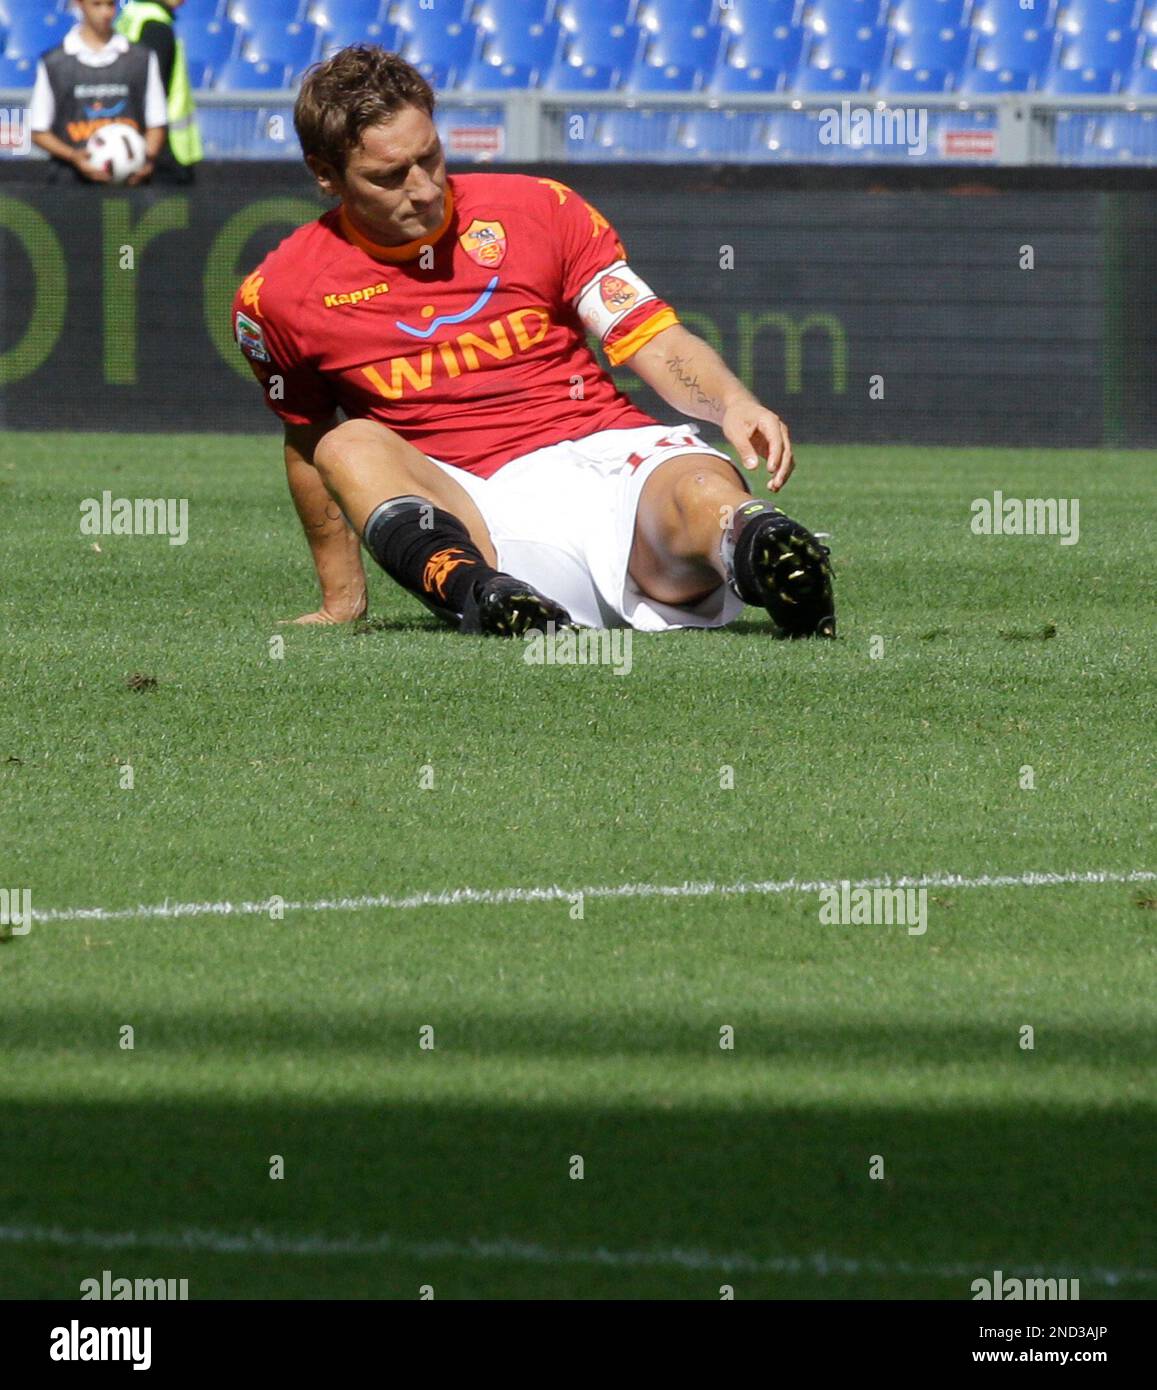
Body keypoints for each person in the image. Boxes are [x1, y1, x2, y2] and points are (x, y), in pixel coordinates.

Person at [232, 47, 835, 638]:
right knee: (348, 444)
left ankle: (763, 551)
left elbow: (649, 333)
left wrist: (731, 402)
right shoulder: (279, 297)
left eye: (430, 157)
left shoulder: (540, 208)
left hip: (609, 460)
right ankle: (480, 594)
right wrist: (342, 600)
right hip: (476, 517)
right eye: (388, 176)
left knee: (705, 492)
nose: (421, 188)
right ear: (324, 174)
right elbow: (308, 440)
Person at [30, 0, 167, 185]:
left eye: (110, 4)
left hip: (128, 189)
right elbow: (38, 130)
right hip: (71, 186)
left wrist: (145, 160)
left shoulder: (141, 58)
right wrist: (73, 156)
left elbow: (157, 123)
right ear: (80, 4)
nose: (105, 12)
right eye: (97, 4)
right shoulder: (54, 62)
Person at [116, 0, 203, 185]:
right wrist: (148, 153)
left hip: (131, 143)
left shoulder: (131, 15)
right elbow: (153, 92)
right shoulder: (156, 26)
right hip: (162, 149)